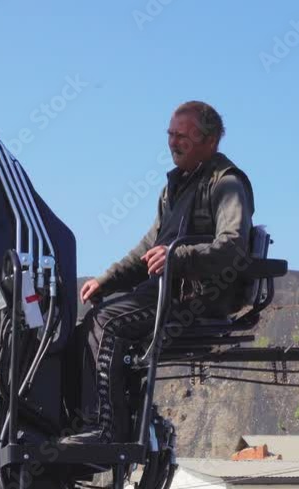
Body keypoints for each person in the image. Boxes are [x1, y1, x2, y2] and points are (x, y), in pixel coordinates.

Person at [65, 101, 255, 444]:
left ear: (210, 141)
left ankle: (106, 431)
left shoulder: (226, 184)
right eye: (170, 134)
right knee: (84, 327)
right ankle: (82, 422)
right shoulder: (174, 189)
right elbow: (146, 250)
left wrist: (179, 258)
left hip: (196, 299)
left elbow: (233, 247)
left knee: (106, 323)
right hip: (163, 293)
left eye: (182, 135)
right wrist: (105, 281)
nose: (173, 142)